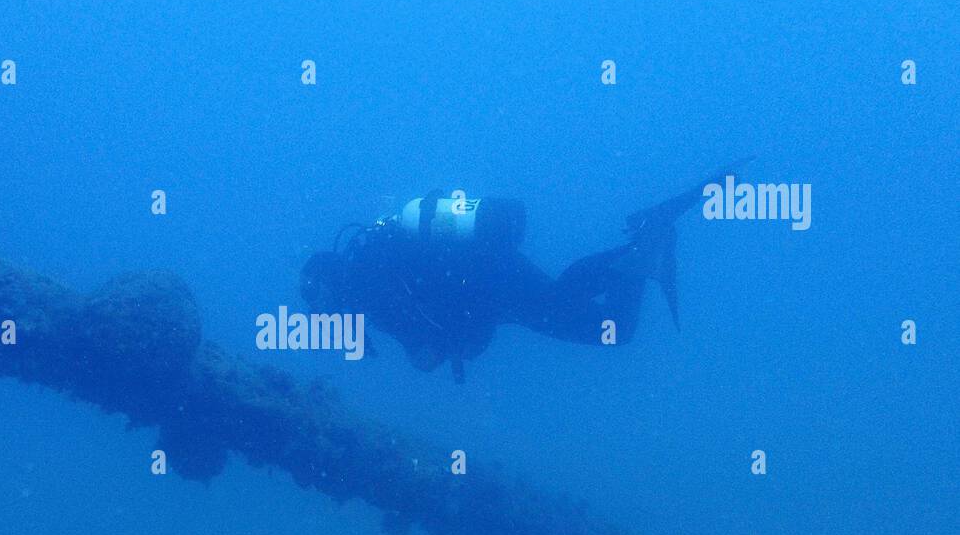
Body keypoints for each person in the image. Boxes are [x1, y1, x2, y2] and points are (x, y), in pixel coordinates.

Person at [300, 163, 746, 383]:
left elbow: (431, 346)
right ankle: (644, 245)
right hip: (491, 279)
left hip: (489, 282)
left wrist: (427, 355)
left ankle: (642, 239)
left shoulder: (372, 290)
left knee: (564, 304)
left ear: (331, 286)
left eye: (323, 305)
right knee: (614, 329)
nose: (332, 315)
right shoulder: (377, 270)